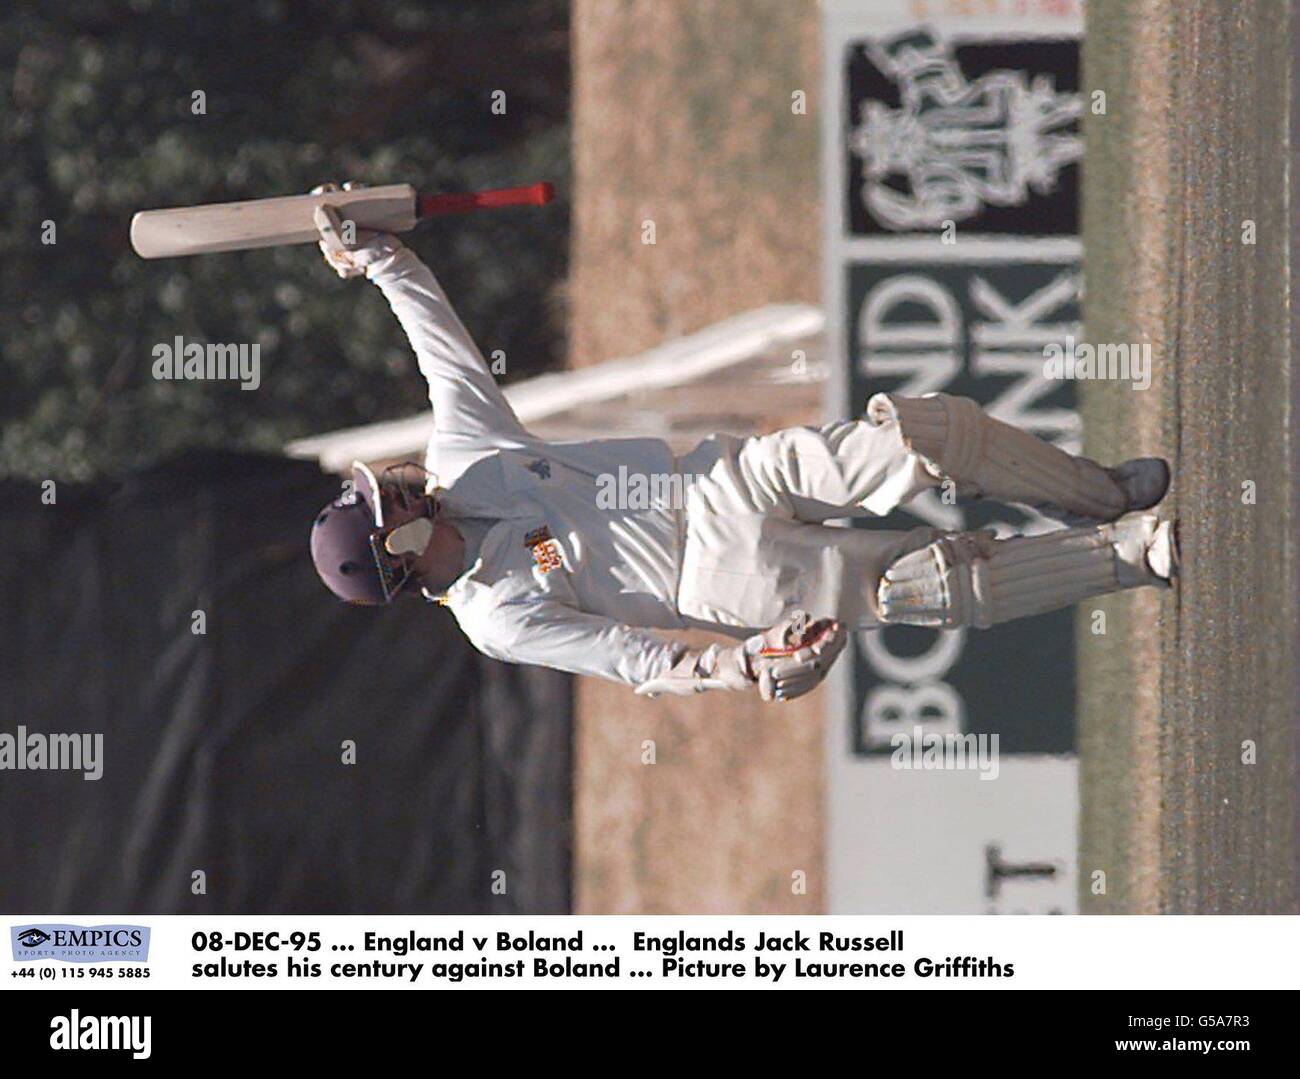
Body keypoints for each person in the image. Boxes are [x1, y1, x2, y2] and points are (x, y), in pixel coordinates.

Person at [308, 207, 1176, 703]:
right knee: (936, 583)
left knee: (928, 434)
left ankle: (1097, 492)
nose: (400, 484)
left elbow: (441, 347)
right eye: (389, 504)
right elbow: (628, 657)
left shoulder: (467, 456)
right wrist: (737, 663)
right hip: (726, 578)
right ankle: (1132, 555)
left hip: (721, 477)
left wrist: (380, 256)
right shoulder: (497, 616)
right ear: (400, 550)